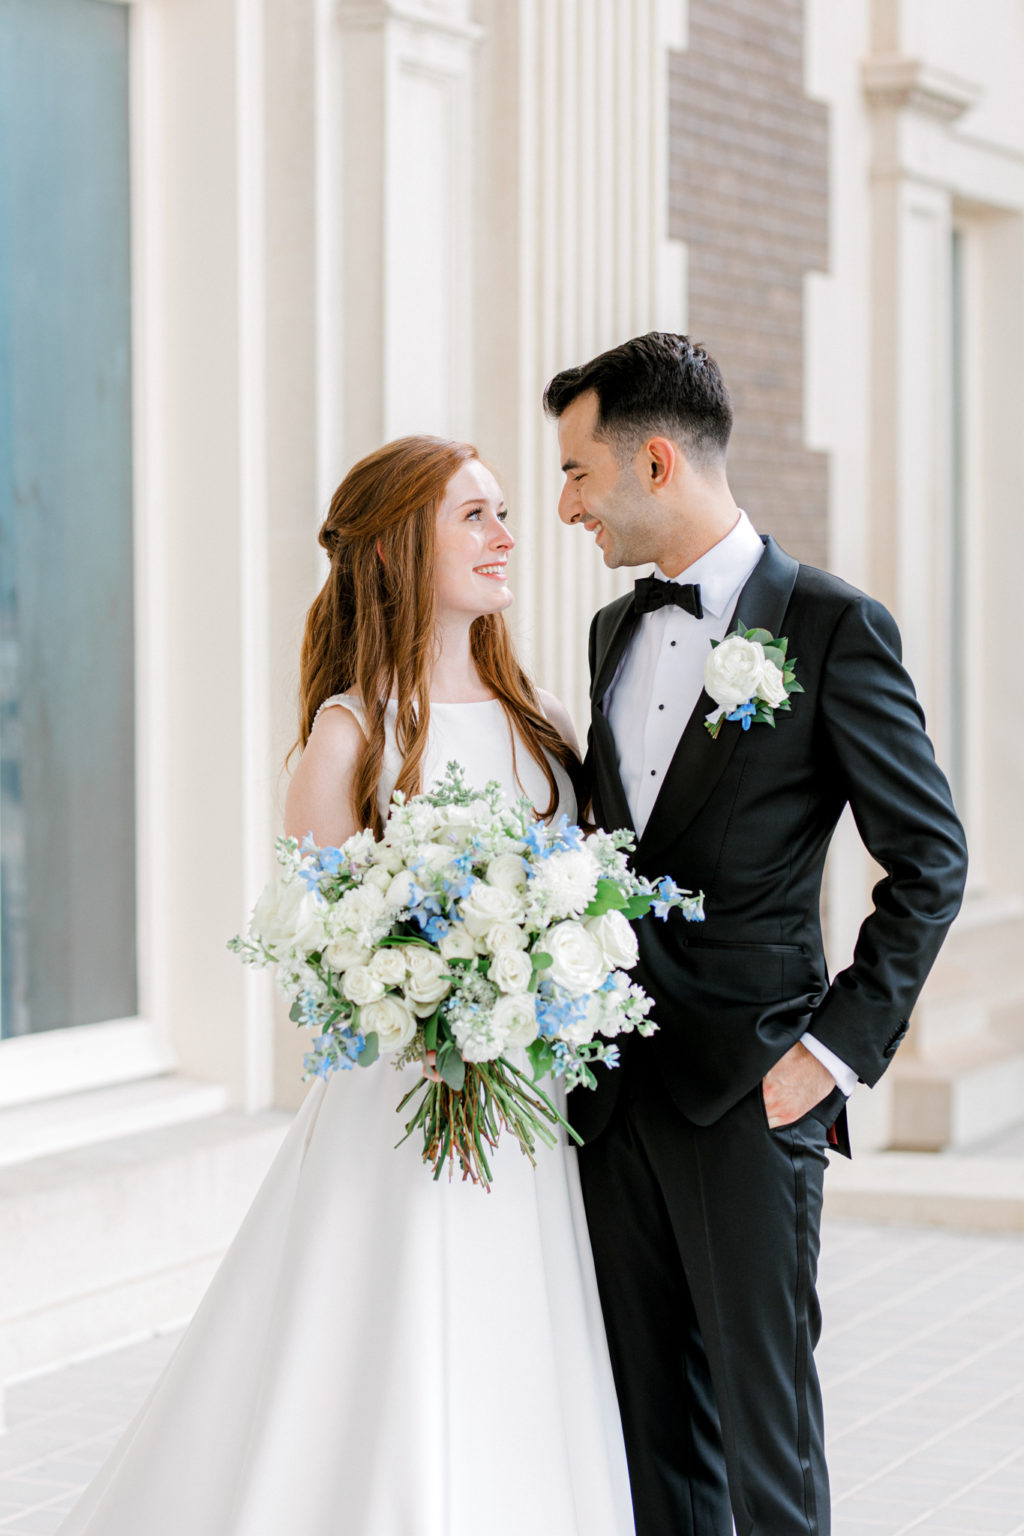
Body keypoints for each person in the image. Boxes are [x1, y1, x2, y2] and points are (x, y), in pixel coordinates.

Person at [58, 436, 635, 1536]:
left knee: (522, 1354)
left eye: (505, 512)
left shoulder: (548, 722)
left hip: (532, 1115)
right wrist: (415, 998)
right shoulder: (352, 735)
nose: (506, 536)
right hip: (398, 1113)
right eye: (474, 516)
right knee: (389, 1354)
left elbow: (601, 898)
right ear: (396, 545)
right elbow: (317, 955)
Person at [543, 332, 969, 1536]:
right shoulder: (610, 633)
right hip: (613, 1094)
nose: (566, 503)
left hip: (752, 1096)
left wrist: (826, 1060)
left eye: (579, 473)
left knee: (764, 1449)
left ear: (656, 462)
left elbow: (929, 863)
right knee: (651, 1442)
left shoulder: (835, 627)